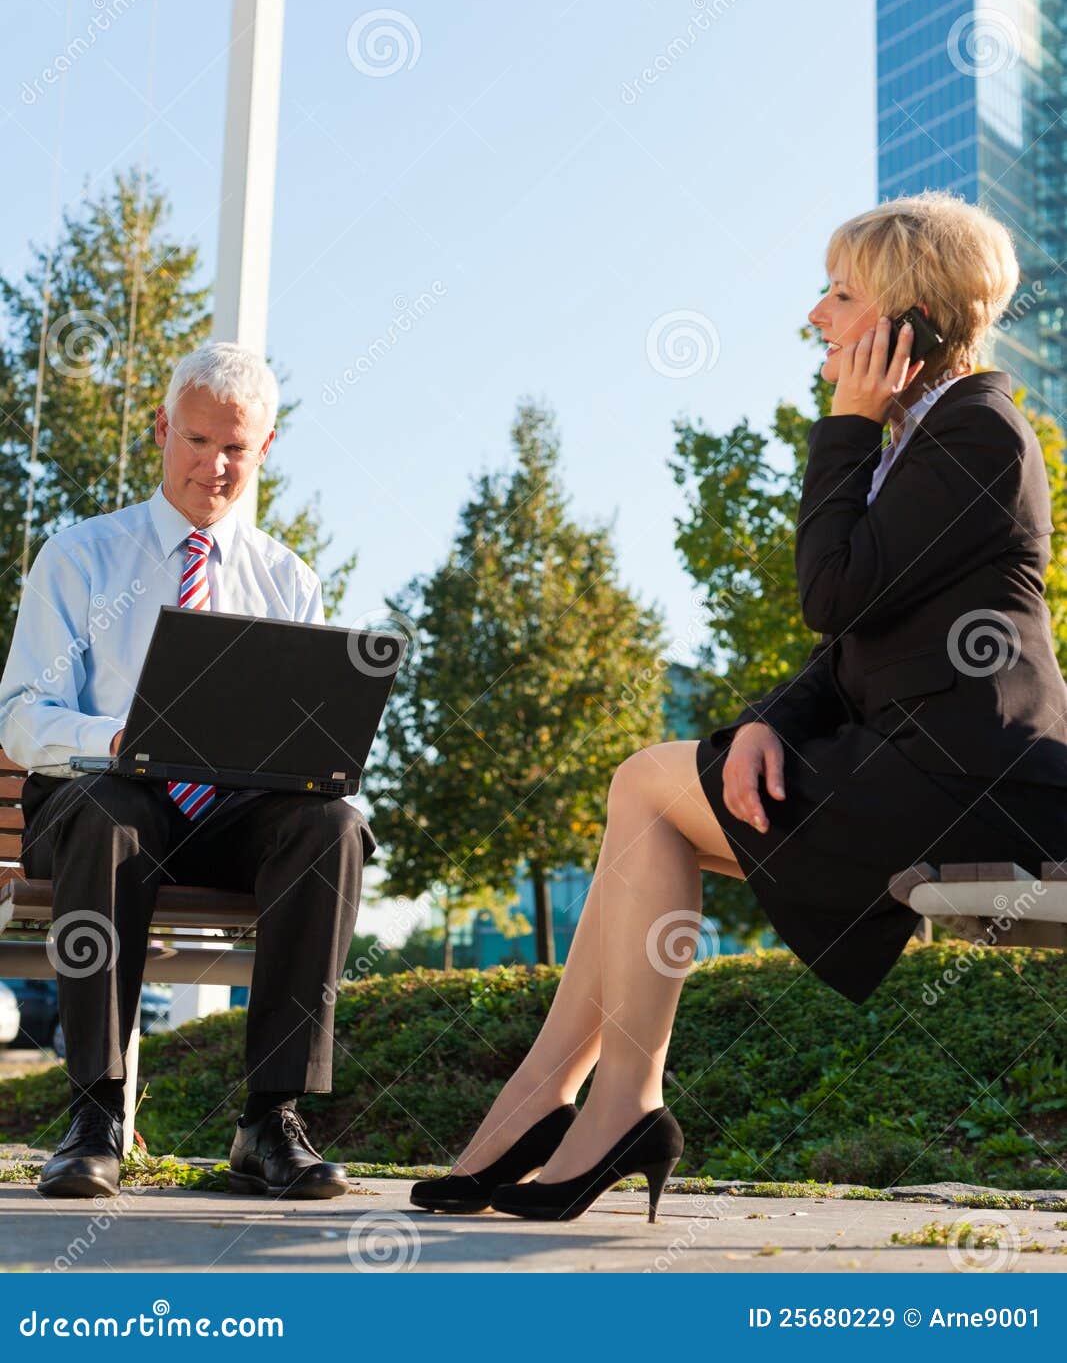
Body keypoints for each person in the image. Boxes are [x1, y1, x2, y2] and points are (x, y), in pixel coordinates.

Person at [410, 190, 1067, 1224]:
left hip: (973, 783)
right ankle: (561, 1102)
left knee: (642, 785)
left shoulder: (975, 430)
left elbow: (831, 591)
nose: (814, 316)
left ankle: (592, 1103)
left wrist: (842, 430)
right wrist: (763, 720)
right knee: (646, 807)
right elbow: (850, 638)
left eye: (838, 294)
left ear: (906, 324)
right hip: (924, 763)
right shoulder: (931, 432)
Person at [0, 343, 374, 1201]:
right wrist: (122, 738)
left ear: (265, 449)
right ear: (163, 428)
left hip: (228, 821)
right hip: (99, 811)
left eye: (235, 448)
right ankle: (94, 1113)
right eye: (198, 440)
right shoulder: (82, 556)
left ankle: (268, 1120)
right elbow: (21, 718)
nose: (215, 464)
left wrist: (311, 765)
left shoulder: (288, 579)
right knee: (112, 806)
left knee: (334, 824)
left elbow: (310, 744)